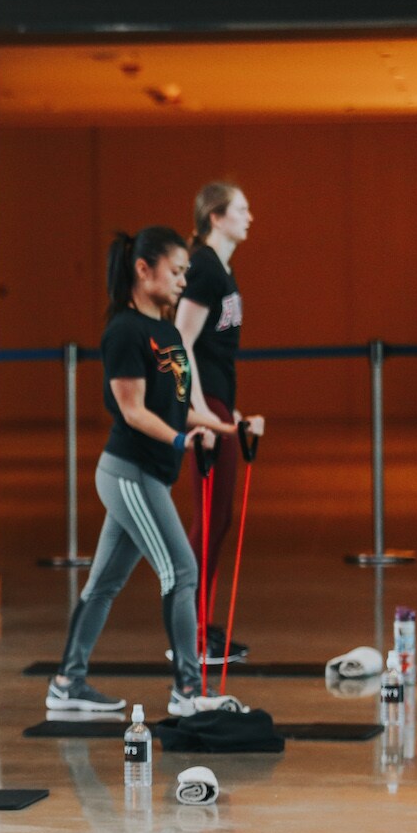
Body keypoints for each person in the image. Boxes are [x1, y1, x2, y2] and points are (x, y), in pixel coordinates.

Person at [44, 227, 245, 718]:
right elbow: (133, 411)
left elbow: (176, 406)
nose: (182, 280)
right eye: (175, 271)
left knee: (104, 584)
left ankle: (68, 682)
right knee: (181, 571)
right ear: (143, 270)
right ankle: (188, 692)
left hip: (148, 475)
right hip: (128, 473)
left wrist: (226, 425)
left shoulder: (170, 332)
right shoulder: (124, 332)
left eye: (184, 273)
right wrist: (182, 440)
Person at [174, 183, 264, 666]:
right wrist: (201, 411)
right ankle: (188, 630)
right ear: (216, 215)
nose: (250, 216)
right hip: (206, 402)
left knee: (218, 515)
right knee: (209, 515)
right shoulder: (204, 266)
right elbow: (182, 340)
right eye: (242, 209)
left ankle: (199, 623)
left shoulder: (221, 268)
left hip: (220, 399)